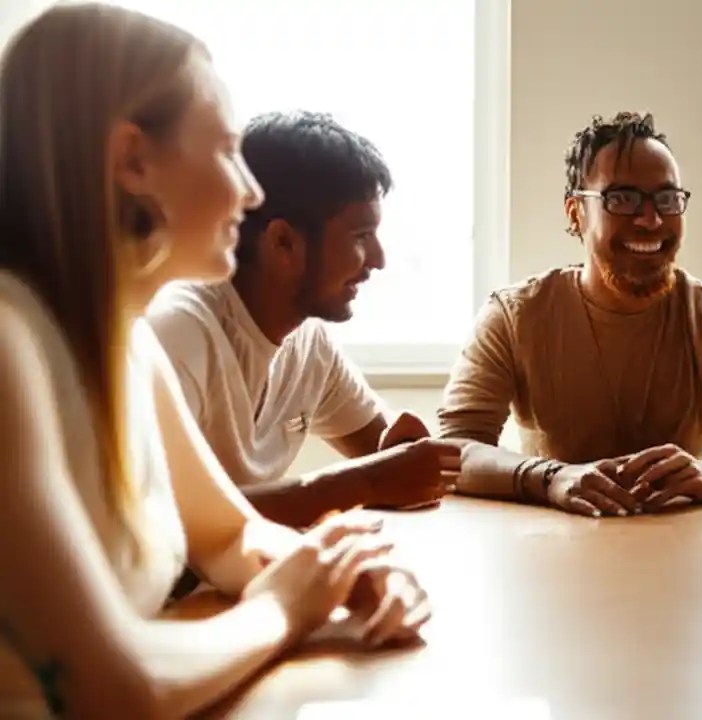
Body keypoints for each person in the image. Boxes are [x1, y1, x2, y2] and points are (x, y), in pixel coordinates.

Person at [0, 5, 429, 716]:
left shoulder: (127, 340)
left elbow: (228, 534)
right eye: (228, 151)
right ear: (134, 160)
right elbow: (117, 689)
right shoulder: (10, 343)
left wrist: (340, 573)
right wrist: (284, 609)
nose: (250, 193)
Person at [438, 111, 702, 517]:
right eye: (622, 199)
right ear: (575, 213)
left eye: (667, 199)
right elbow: (452, 451)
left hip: (680, 541)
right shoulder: (514, 317)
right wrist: (549, 478)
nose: (651, 219)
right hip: (555, 540)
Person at [147, 110, 459, 528]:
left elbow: (388, 455)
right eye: (361, 237)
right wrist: (360, 484)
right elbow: (157, 521)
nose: (379, 260)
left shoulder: (309, 341)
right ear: (283, 242)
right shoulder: (177, 331)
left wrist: (400, 454)